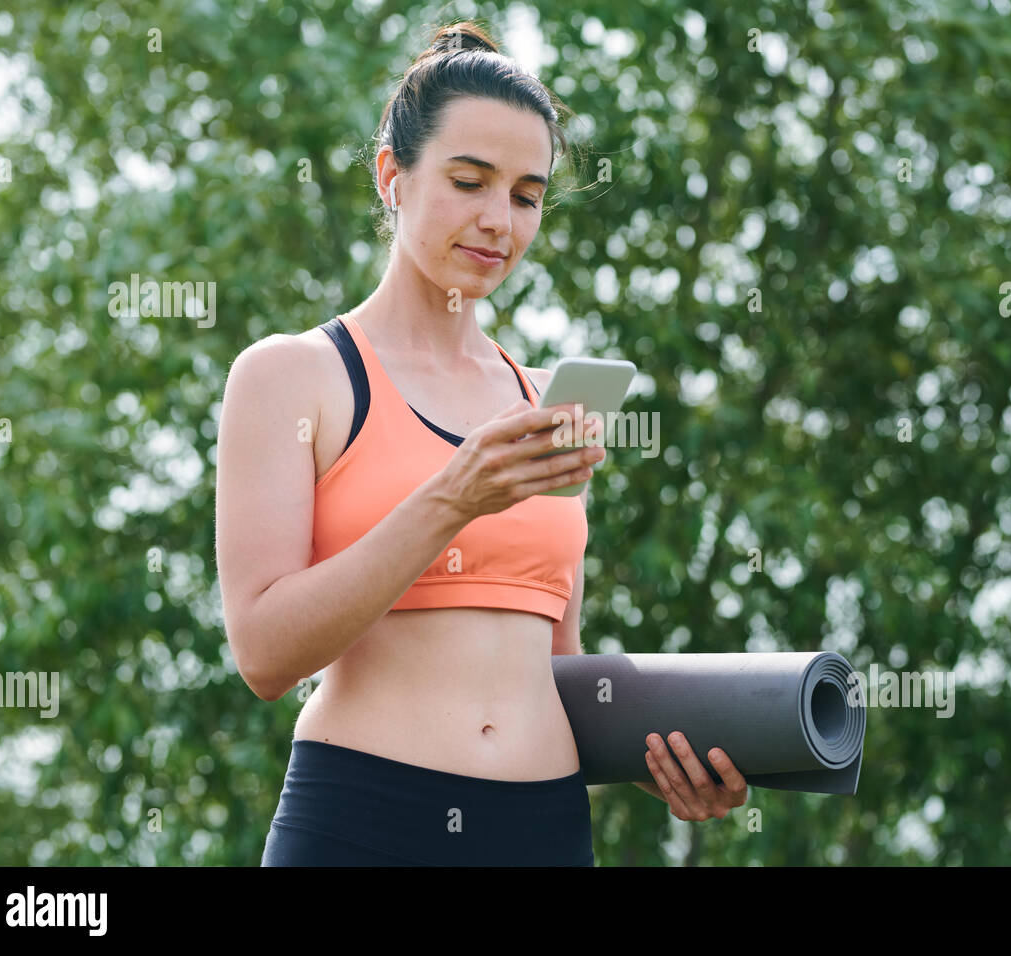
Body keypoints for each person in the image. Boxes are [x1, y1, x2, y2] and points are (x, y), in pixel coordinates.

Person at [215, 20, 747, 867]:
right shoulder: (293, 377)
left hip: (544, 828)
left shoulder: (542, 401)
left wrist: (669, 760)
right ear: (393, 176)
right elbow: (266, 654)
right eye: (469, 182)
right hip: (363, 819)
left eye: (527, 195)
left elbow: (556, 659)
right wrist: (454, 495)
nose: (498, 221)